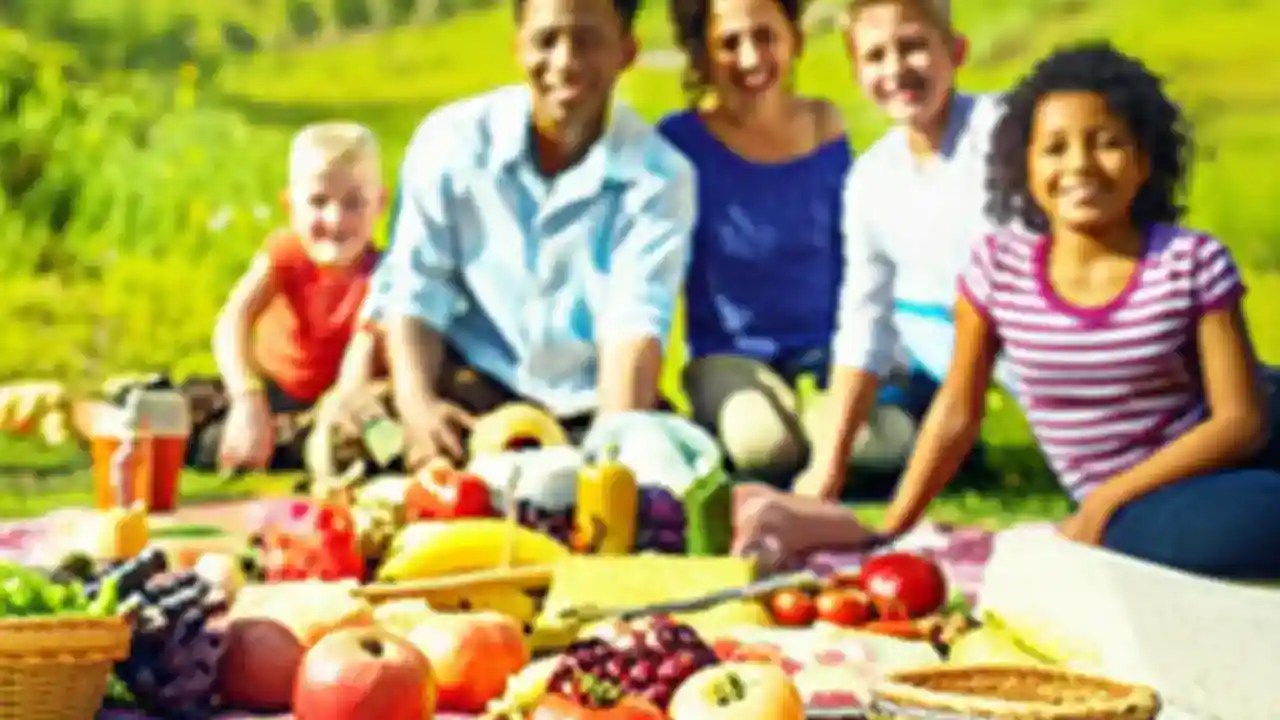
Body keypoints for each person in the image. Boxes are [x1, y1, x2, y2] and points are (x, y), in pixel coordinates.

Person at [744, 42, 1280, 580]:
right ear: (1024, 166)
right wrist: (893, 527)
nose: (1080, 165)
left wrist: (1102, 502)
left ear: (1144, 161)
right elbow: (956, 411)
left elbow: (1243, 420)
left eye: (1108, 143)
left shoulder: (1190, 261)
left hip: (1223, 446)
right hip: (1154, 504)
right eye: (1055, 148)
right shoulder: (999, 270)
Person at [339, 0, 696, 473]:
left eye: (587, 41)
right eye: (546, 40)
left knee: (663, 468)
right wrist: (417, 405)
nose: (564, 62)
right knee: (353, 434)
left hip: (588, 409)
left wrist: (605, 464)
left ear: (627, 53)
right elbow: (415, 289)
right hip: (467, 387)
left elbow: (633, 324)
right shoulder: (450, 142)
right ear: (517, 47)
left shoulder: (660, 176)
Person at [659, 0, 912, 484]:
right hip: (729, 356)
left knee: (877, 447)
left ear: (792, 38)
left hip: (825, 349)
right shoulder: (682, 141)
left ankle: (855, 423)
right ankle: (737, 423)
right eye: (729, 43)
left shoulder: (824, 124)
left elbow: (858, 253)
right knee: (764, 447)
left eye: (765, 36)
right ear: (702, 54)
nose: (751, 58)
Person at [793, 0, 1016, 500]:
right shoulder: (872, 179)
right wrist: (826, 468)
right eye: (875, 56)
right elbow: (863, 319)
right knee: (863, 424)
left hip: (1030, 345)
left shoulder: (1003, 135)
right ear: (856, 72)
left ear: (956, 51)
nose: (895, 70)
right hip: (930, 348)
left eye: (913, 47)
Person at [198, 122, 387, 472]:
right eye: (318, 202)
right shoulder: (285, 254)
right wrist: (246, 397)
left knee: (385, 444)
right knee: (195, 425)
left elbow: (359, 359)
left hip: (341, 400)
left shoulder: (383, 275)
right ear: (289, 205)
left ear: (380, 204)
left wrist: (341, 412)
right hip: (272, 391)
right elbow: (233, 320)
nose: (334, 219)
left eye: (353, 204)